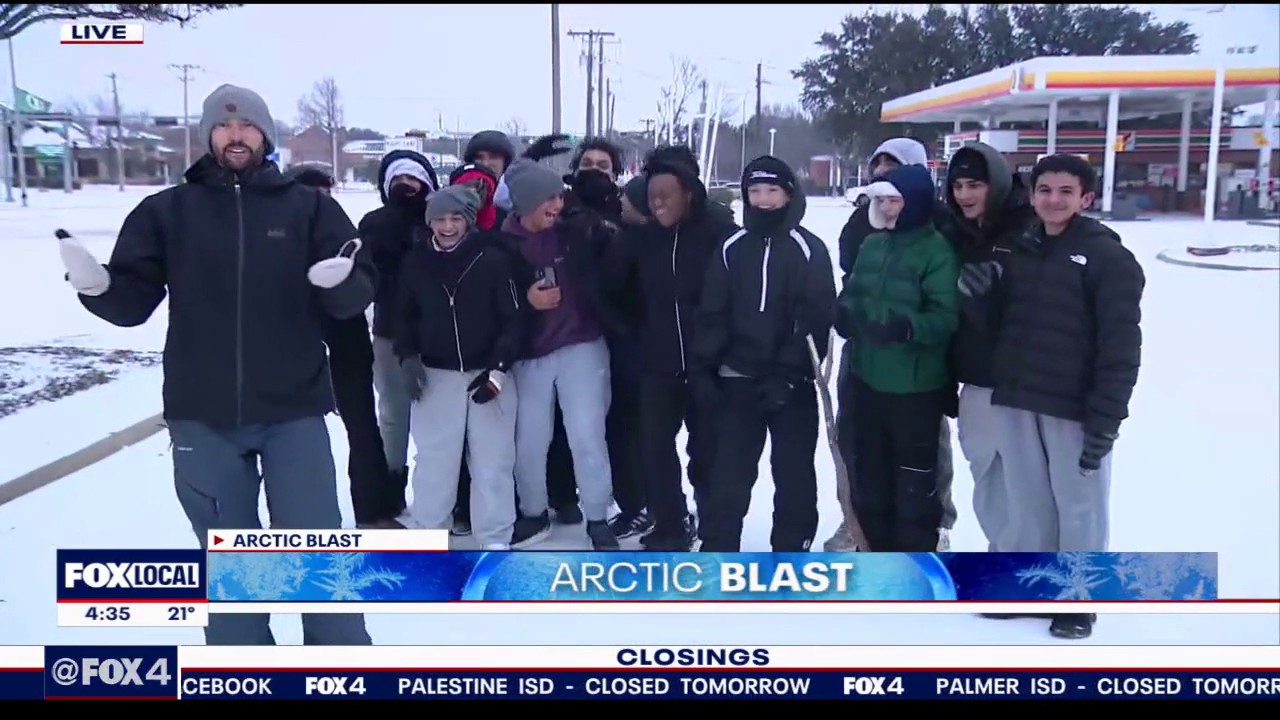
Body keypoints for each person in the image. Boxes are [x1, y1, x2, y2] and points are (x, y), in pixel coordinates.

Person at [57, 84, 374, 645]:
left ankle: (341, 661)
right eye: (224, 127)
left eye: (247, 126)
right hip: (202, 415)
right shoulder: (167, 212)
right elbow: (131, 303)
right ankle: (241, 666)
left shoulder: (310, 209)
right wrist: (97, 287)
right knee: (229, 559)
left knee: (317, 548)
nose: (235, 135)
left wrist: (343, 283)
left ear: (265, 136)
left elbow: (356, 291)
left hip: (294, 410)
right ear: (208, 136)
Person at [970, 154, 1145, 640]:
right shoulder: (1018, 248)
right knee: (1027, 502)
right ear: (1032, 195)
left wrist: (1107, 418)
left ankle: (1079, 599)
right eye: (1045, 190)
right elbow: (1002, 324)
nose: (1053, 200)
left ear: (1086, 198)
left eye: (1066, 191)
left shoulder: (1108, 258)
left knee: (1078, 504)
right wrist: (979, 297)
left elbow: (1121, 346)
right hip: (1018, 396)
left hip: (1074, 406)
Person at [693, 156, 836, 552]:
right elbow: (713, 311)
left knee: (793, 473)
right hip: (738, 377)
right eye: (755, 191)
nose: (764, 199)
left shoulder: (808, 248)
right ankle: (718, 549)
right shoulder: (732, 247)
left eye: (772, 190)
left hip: (791, 383)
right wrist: (705, 367)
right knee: (729, 474)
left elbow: (817, 315)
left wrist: (788, 373)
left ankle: (791, 550)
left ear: (788, 194)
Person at [827, 137, 960, 552]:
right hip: (868, 379)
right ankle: (875, 553)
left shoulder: (937, 250)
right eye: (881, 201)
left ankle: (916, 558)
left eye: (894, 201)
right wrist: (843, 312)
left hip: (914, 388)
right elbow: (855, 291)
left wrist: (907, 328)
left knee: (914, 483)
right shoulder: (872, 243)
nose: (885, 208)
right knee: (872, 474)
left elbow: (946, 317)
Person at [608, 145, 740, 551]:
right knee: (655, 449)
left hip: (708, 364)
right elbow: (613, 293)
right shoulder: (641, 240)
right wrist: (635, 334)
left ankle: (714, 529)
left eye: (666, 196)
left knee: (708, 453)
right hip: (657, 363)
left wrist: (724, 349)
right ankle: (670, 525)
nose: (658, 204)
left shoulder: (719, 235)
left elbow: (738, 297)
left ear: (690, 195)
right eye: (652, 197)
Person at [497, 159, 620, 550]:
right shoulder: (501, 245)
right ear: (525, 202)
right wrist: (526, 302)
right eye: (548, 198)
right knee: (530, 439)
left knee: (587, 433)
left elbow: (611, 267)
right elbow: (492, 302)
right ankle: (532, 511)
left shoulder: (576, 232)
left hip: (582, 344)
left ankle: (597, 516)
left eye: (559, 196)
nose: (557, 205)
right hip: (529, 353)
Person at [393, 185, 524, 550]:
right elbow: (402, 318)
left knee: (493, 462)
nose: (447, 227)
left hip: (489, 373)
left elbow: (514, 320)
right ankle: (429, 536)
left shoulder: (493, 259)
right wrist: (408, 357)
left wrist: (499, 369)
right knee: (434, 461)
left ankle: (494, 540)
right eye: (440, 219)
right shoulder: (416, 262)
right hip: (436, 375)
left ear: (468, 221)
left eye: (455, 218)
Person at [286, 164, 395, 529]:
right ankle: (295, 519)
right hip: (295, 342)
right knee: (294, 436)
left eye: (325, 193)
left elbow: (366, 277)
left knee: (362, 427)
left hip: (346, 338)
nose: (320, 201)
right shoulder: (275, 234)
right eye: (311, 193)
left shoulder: (339, 230)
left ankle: (373, 510)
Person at [942, 141, 1037, 547]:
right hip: (976, 380)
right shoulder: (956, 231)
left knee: (1026, 488)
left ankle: (1027, 566)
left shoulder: (1029, 228)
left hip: (1022, 385)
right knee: (987, 481)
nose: (964, 194)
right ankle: (999, 558)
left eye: (975, 185)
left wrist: (993, 297)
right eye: (958, 185)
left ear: (995, 184)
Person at [359, 150, 439, 523]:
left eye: (414, 179)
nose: (407, 186)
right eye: (399, 180)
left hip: (438, 335)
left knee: (438, 416)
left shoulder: (439, 222)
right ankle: (391, 489)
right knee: (393, 414)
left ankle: (439, 493)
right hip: (389, 332)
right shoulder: (374, 224)